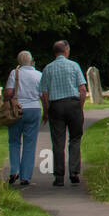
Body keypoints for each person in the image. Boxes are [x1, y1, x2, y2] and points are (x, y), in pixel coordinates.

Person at [39, 39, 88, 187]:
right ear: (66, 50)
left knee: (58, 141)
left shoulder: (48, 68)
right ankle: (74, 172)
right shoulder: (74, 66)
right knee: (75, 139)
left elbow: (44, 93)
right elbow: (83, 90)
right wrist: (80, 107)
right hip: (73, 104)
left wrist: (46, 111)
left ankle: (59, 176)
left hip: (56, 106)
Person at [5, 51, 42, 187]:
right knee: (29, 143)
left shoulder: (14, 74)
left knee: (14, 141)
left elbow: (9, 93)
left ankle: (14, 169)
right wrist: (46, 111)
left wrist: (7, 100)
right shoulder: (38, 75)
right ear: (31, 60)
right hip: (34, 109)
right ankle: (25, 176)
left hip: (17, 110)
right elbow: (43, 94)